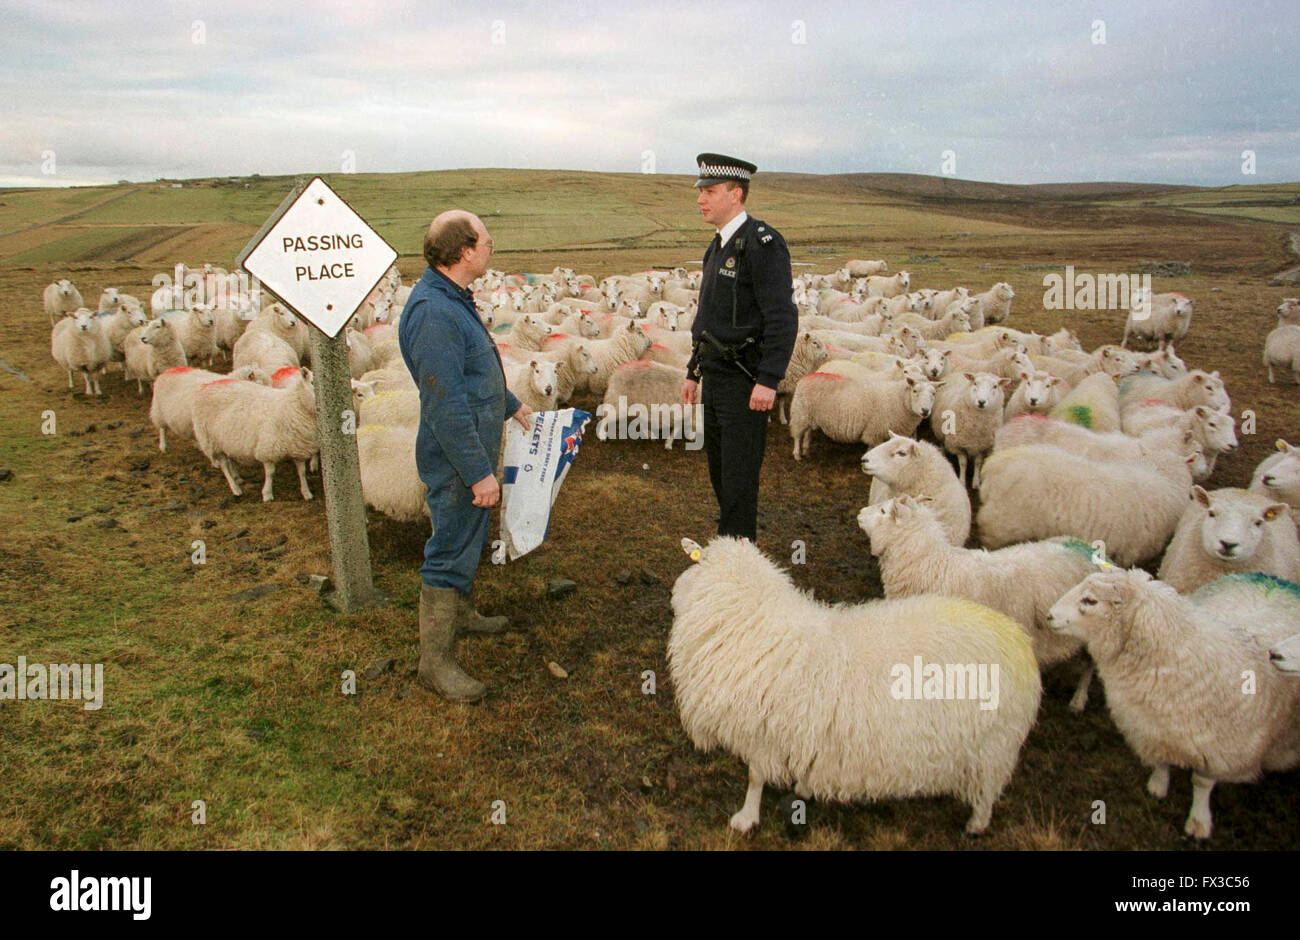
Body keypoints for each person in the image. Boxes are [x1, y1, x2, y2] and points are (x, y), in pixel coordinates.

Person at [398, 210, 533, 703]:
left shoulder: (451, 298)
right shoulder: (434, 312)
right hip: (458, 457)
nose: (491, 246)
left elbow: (472, 373)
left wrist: (510, 404)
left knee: (469, 538)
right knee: (448, 548)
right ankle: (433, 663)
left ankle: (464, 614)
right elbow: (444, 400)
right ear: (464, 252)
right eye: (486, 241)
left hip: (474, 443)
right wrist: (477, 473)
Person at [681, 153, 798, 542]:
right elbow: (707, 319)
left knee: (739, 477)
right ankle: (730, 545)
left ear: (736, 193)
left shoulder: (762, 243)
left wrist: (769, 379)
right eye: (701, 191)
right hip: (716, 378)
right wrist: (692, 371)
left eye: (710, 192)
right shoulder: (716, 247)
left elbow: (782, 316)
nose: (701, 199)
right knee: (719, 471)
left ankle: (739, 559)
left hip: (746, 384)